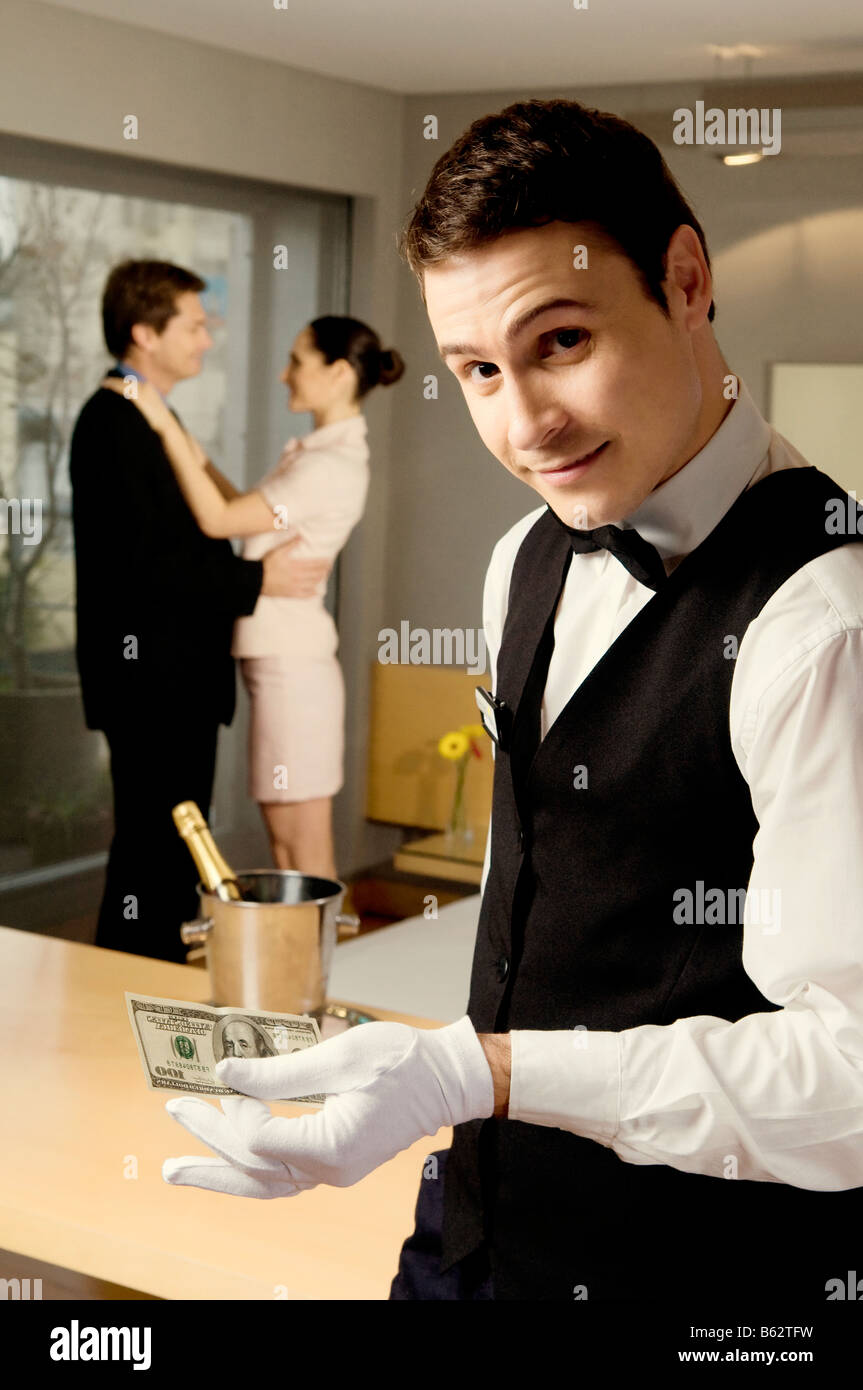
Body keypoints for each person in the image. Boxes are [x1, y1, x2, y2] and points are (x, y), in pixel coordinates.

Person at [157, 99, 863, 1303]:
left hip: (703, 1280)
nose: (524, 424)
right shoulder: (521, 558)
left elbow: (849, 1079)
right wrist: (434, 1081)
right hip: (477, 1225)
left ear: (685, 280)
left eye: (561, 344)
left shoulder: (824, 619)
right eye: (477, 370)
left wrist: (472, 1072)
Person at [70, 261, 330, 963]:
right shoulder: (114, 422)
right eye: (193, 324)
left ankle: (149, 998)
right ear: (143, 333)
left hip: (170, 677)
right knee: (153, 853)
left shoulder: (146, 412)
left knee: (169, 850)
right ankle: (131, 998)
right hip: (151, 679)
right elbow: (145, 563)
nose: (208, 338)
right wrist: (256, 577)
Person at [101, 317, 404, 879]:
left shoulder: (328, 465)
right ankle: (312, 965)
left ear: (338, 373)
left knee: (301, 853)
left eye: (297, 361)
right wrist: (195, 450)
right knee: (289, 847)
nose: (284, 373)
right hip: (283, 667)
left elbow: (220, 521)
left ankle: (321, 966)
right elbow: (250, 511)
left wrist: (164, 425)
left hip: (293, 672)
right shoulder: (317, 456)